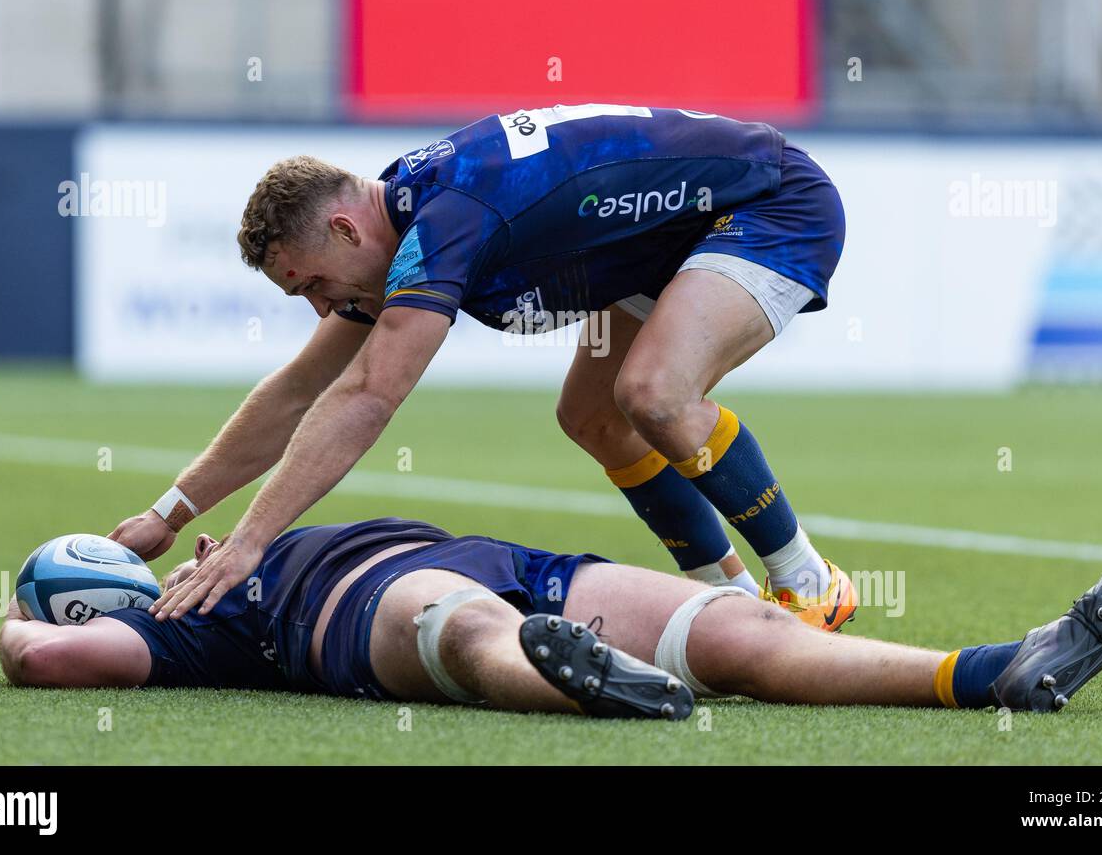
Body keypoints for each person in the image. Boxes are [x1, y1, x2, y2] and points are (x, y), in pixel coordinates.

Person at [110, 104, 857, 629]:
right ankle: (724, 598)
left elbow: (368, 396)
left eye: (311, 284)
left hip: (769, 204)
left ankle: (807, 584)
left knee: (653, 392)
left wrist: (248, 544)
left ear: (343, 229)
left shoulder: (445, 223)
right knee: (593, 416)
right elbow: (300, 389)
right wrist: (168, 514)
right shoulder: (402, 219)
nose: (319, 308)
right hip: (659, 244)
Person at [7, 517, 1102, 719]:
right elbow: (55, 656)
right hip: (354, 616)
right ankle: (581, 681)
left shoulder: (251, 545)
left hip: (518, 561)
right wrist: (19, 617)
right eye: (141, 568)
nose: (191, 558)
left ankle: (993, 669)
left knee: (740, 633)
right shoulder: (203, 624)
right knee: (458, 630)